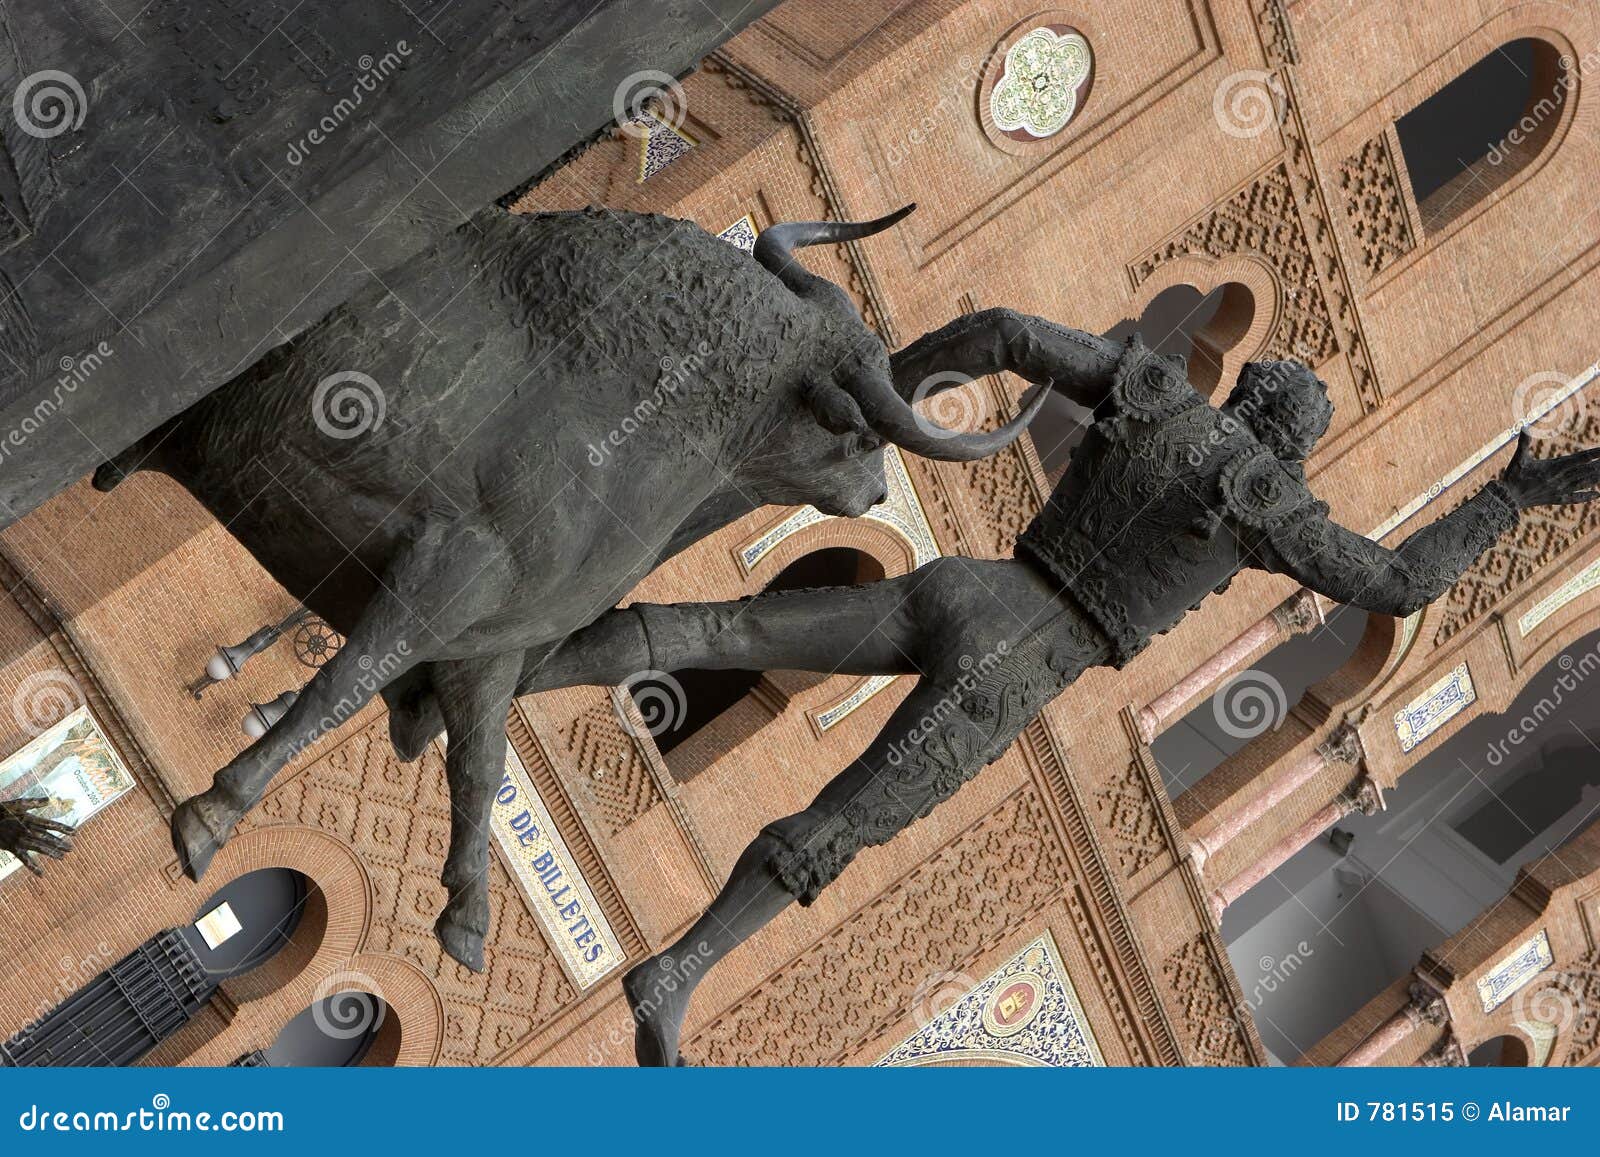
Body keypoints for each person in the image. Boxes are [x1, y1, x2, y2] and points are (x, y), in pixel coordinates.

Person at [519, 319, 1600, 1065]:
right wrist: (1511, 497)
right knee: (836, 825)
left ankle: (517, 664)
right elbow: (1401, 580)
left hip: (974, 581)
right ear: (1291, 434)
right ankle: (681, 966)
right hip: (1023, 660)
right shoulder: (1267, 502)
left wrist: (887, 401)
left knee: (728, 628)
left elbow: (1003, 330)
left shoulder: (1158, 393)